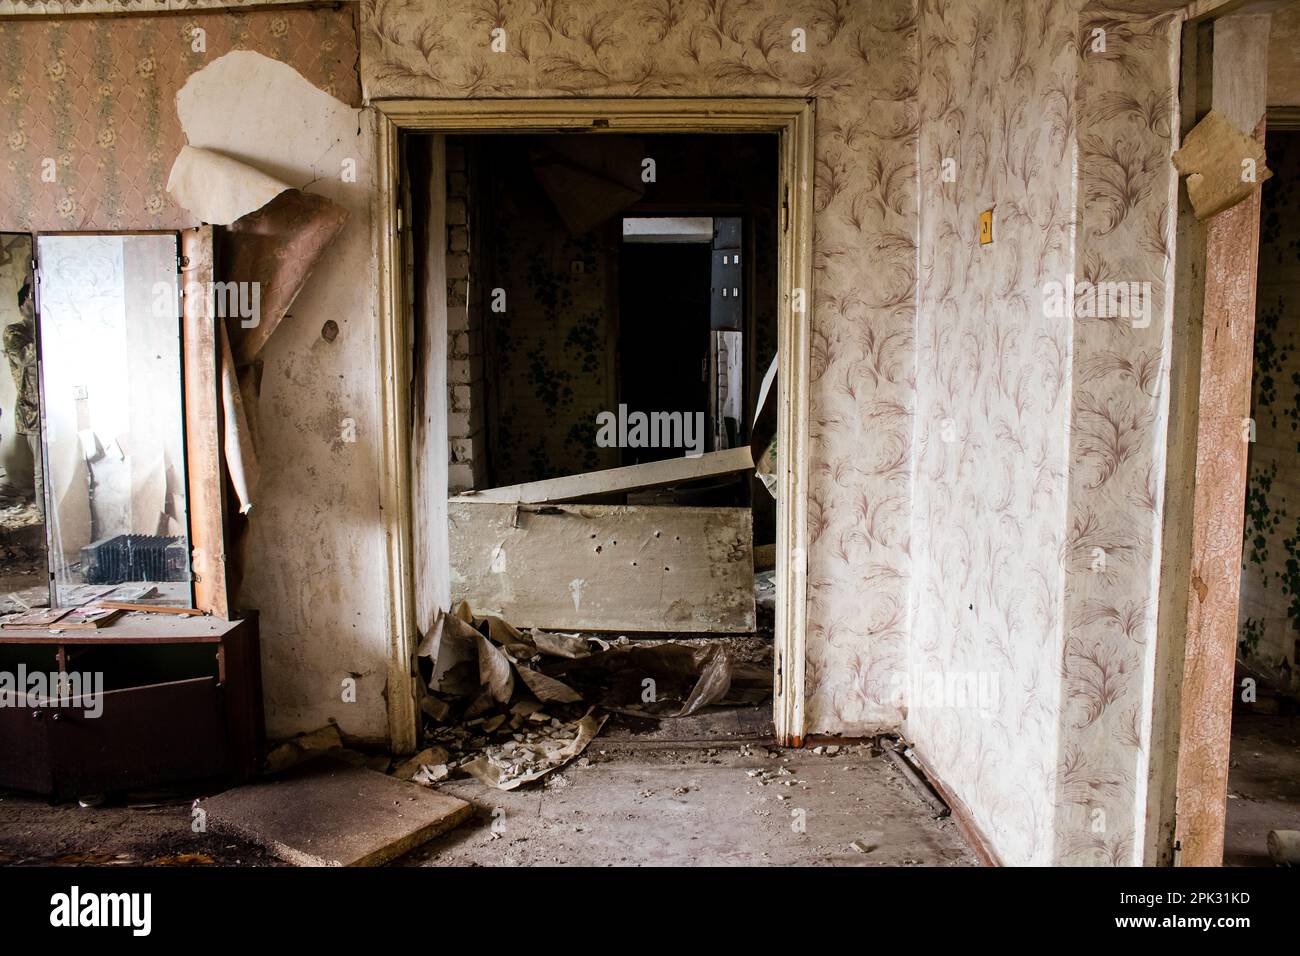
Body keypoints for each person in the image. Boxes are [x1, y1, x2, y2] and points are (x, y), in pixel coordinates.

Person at [4, 280, 42, 514]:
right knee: (41, 469)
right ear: (23, 304)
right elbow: (27, 358)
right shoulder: (13, 332)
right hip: (32, 413)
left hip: (57, 410)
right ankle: (44, 517)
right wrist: (38, 324)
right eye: (31, 297)